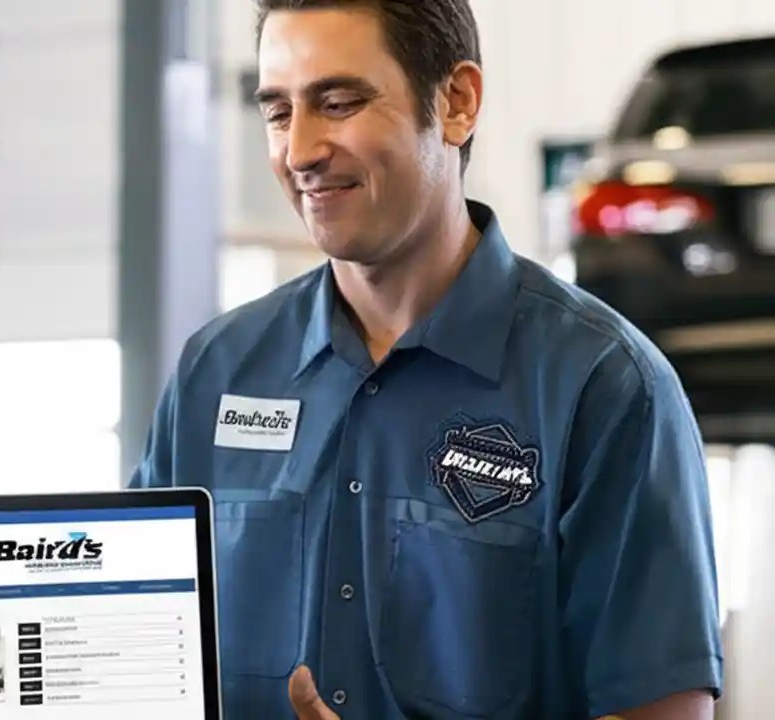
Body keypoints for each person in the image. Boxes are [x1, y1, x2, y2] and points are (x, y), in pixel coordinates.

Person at [130, 1, 723, 718]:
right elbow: (130, 649)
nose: (300, 151)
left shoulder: (605, 390)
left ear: (457, 102)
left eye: (339, 102)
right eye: (279, 112)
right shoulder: (215, 374)